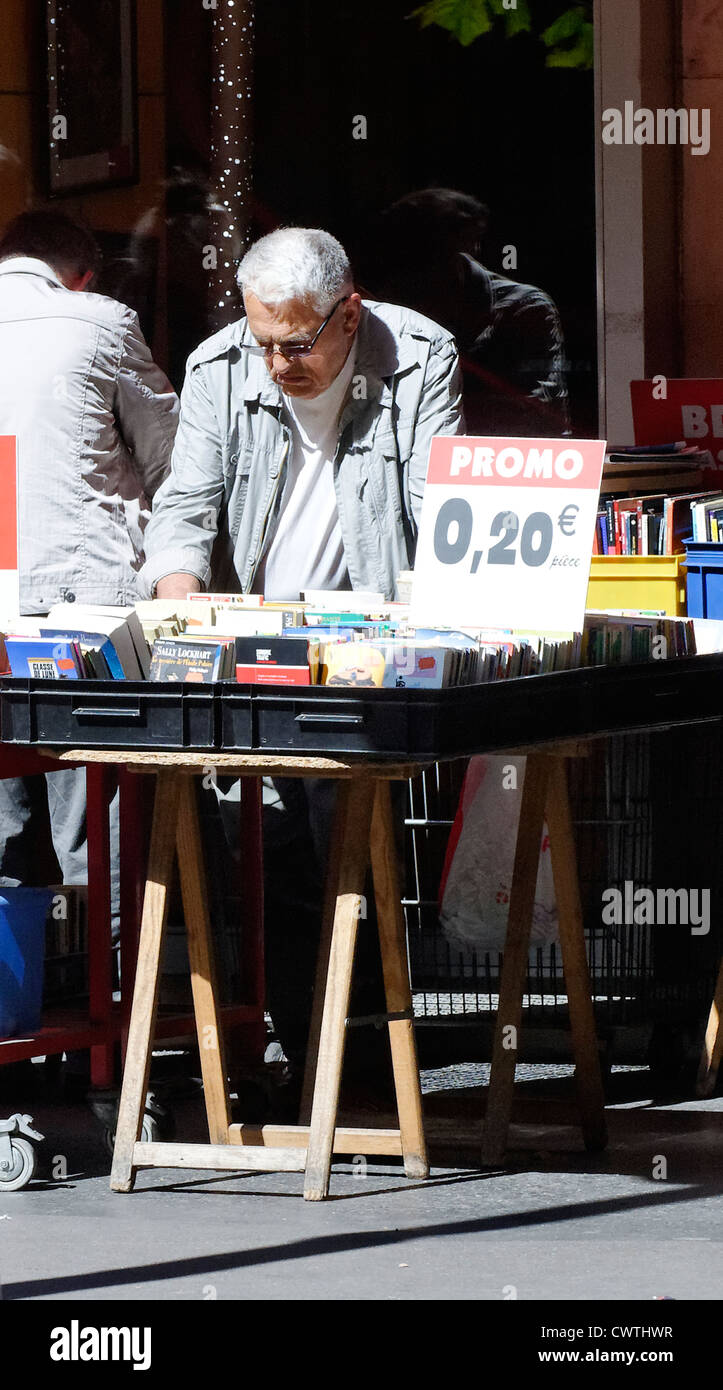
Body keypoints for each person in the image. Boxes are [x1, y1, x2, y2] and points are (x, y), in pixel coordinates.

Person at [140, 225, 464, 1099]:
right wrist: (178, 604)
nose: (278, 364)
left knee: (358, 851)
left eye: (298, 343)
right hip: (257, 648)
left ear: (348, 313)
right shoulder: (220, 367)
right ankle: (322, 1062)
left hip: (371, 649)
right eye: (264, 343)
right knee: (274, 855)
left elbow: (441, 504)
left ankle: (361, 1058)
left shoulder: (418, 354)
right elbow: (186, 505)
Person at [0, 211, 178, 966]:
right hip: (99, 607)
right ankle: (115, 1046)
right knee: (103, 815)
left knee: (4, 820)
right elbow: (176, 460)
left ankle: (24, 1018)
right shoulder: (101, 319)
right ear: (84, 273)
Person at [366, 187, 570, 438]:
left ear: (461, 251)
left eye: (429, 261)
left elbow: (538, 416)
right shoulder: (393, 304)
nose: (409, 281)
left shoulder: (524, 308)